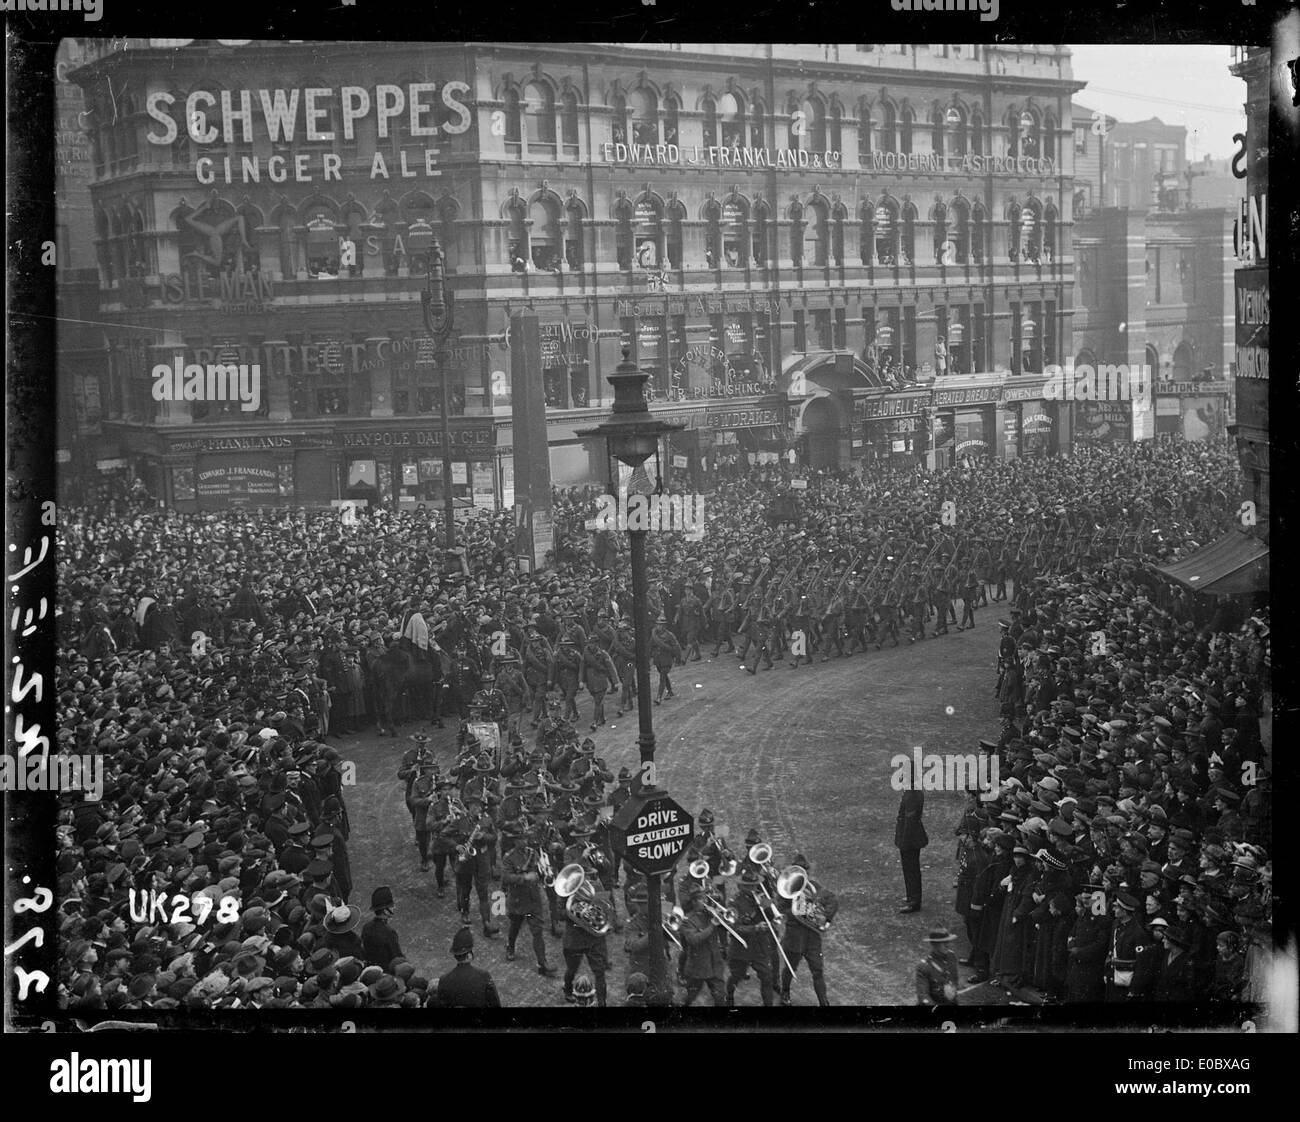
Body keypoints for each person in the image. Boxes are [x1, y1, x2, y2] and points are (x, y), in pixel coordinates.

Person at [777, 853, 837, 1006]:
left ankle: (823, 1001)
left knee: (817, 971)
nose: (801, 876)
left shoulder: (814, 887)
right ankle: (785, 992)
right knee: (790, 969)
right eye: (798, 871)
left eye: (804, 871)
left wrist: (825, 917)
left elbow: (833, 901)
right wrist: (797, 909)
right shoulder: (786, 890)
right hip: (794, 936)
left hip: (812, 938)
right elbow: (780, 909)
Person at [501, 831, 558, 978]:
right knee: (515, 926)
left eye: (526, 838)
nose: (525, 841)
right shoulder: (509, 857)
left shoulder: (533, 853)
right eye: (521, 839)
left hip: (533, 898)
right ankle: (510, 946)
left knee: (537, 931)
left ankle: (542, 962)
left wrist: (545, 871)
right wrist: (524, 877)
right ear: (515, 841)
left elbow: (540, 868)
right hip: (518, 900)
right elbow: (506, 877)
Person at [726, 868, 776, 1006]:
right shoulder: (733, 903)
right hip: (742, 947)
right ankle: (729, 995)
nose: (753, 888)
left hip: (759, 946)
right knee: (737, 976)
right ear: (740, 886)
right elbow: (734, 928)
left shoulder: (761, 898)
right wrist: (755, 928)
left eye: (754, 885)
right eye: (749, 886)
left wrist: (767, 907)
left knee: (767, 976)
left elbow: (771, 917)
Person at [678, 887, 727, 1006]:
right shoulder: (687, 921)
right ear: (694, 902)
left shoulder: (710, 914)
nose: (705, 901)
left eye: (705, 898)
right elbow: (694, 940)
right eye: (701, 899)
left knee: (720, 997)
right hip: (698, 966)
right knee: (690, 997)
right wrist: (712, 925)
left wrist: (724, 918)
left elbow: (728, 925)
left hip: (715, 963)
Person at [432, 928, 501, 1007]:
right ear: (469, 955)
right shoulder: (483, 975)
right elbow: (495, 1004)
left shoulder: (444, 979)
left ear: (455, 956)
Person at [896, 765, 928, 913]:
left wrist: (904, 842)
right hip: (911, 837)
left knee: (911, 870)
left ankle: (914, 901)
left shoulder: (912, 794)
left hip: (910, 839)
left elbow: (910, 820)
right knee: (910, 869)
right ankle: (912, 897)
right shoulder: (912, 791)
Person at [916, 925, 960, 1006]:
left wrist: (953, 991)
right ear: (934, 944)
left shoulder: (951, 956)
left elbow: (955, 978)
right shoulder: (924, 966)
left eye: (948, 941)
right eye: (944, 942)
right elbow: (923, 995)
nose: (947, 945)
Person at [651, 614, 683, 703]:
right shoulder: (654, 635)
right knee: (663, 676)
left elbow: (677, 647)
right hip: (658, 660)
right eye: (658, 624)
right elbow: (650, 646)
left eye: (661, 624)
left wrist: (678, 659)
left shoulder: (670, 635)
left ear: (665, 626)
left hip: (666, 659)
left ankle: (659, 697)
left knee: (662, 677)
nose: (659, 626)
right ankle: (670, 691)